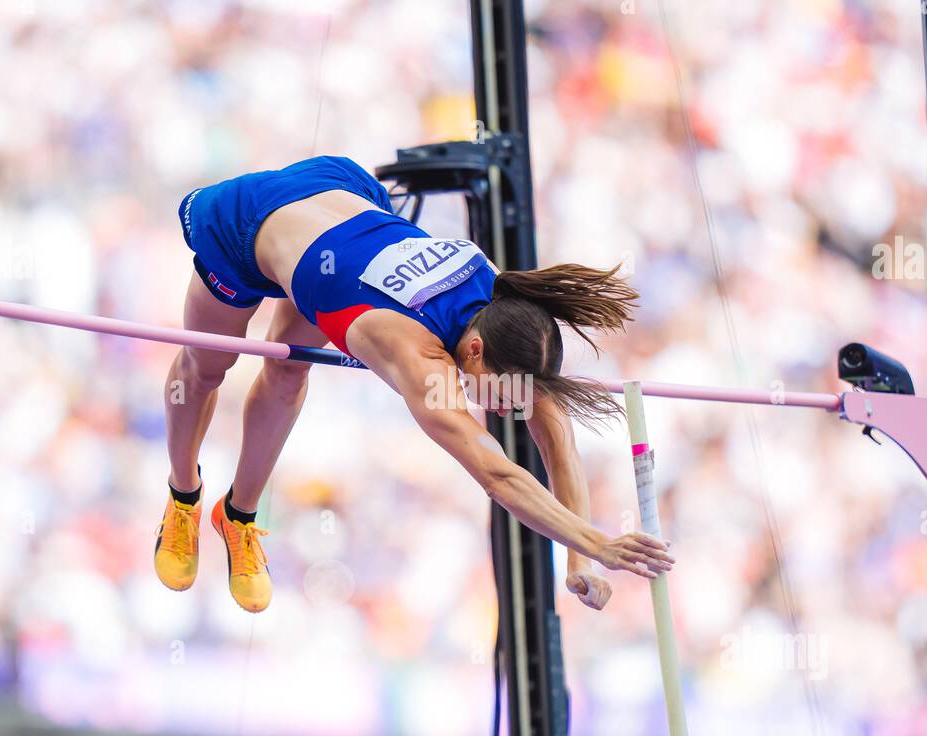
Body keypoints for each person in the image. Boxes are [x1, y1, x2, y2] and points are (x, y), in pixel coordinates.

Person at [155, 155, 673, 613]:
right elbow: (499, 476)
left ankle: (238, 515)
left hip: (340, 207)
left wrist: (578, 561)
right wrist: (600, 542)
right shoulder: (422, 362)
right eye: (499, 392)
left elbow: (557, 440)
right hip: (248, 224)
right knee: (205, 370)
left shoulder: (507, 311)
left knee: (288, 370)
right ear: (473, 352)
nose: (504, 407)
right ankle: (184, 495)